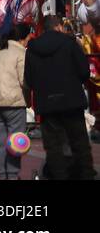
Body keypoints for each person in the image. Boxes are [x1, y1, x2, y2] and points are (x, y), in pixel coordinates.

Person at [24, 13, 96, 180]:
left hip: (47, 104)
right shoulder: (70, 44)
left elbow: (29, 79)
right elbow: (84, 72)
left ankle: (59, 176)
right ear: (58, 27)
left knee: (53, 146)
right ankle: (86, 175)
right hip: (71, 101)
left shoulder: (33, 49)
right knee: (79, 143)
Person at [0, 23, 31, 180]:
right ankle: (12, 175)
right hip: (14, 102)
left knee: (1, 141)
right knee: (15, 141)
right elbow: (24, 79)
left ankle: (3, 174)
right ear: (22, 38)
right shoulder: (20, 53)